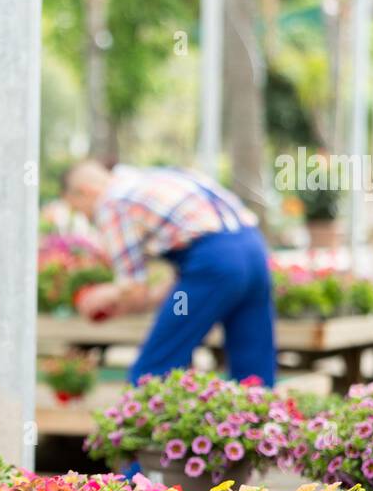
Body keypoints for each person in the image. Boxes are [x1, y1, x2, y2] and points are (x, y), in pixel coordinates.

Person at [61, 160, 276, 386]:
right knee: (254, 368)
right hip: (253, 252)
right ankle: (260, 416)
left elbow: (133, 288)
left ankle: (144, 410)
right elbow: (179, 279)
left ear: (86, 191)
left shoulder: (112, 202)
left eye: (78, 210)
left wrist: (104, 295)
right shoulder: (156, 177)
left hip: (213, 264)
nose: (86, 218)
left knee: (157, 365)